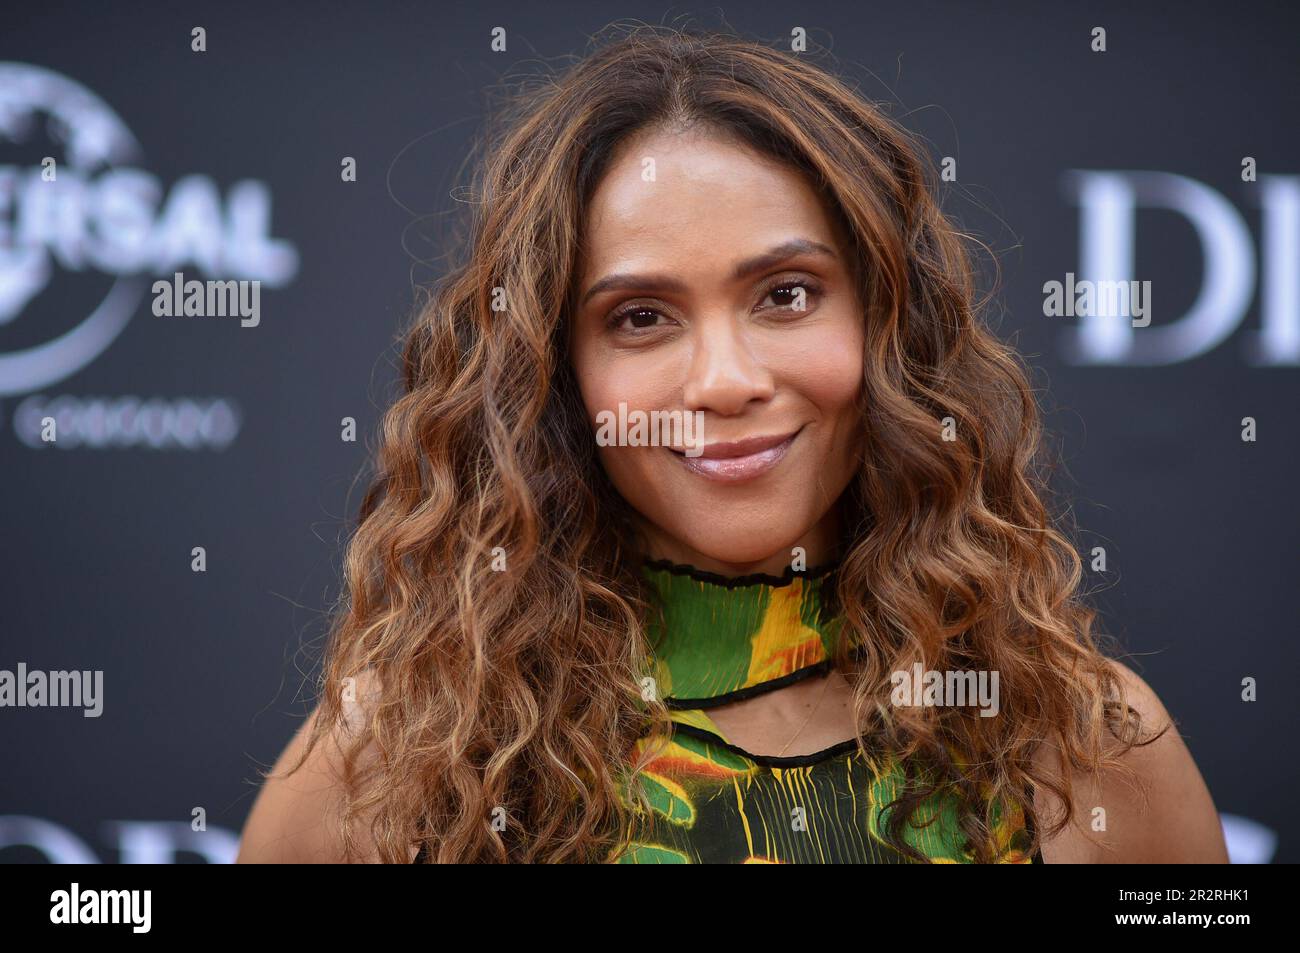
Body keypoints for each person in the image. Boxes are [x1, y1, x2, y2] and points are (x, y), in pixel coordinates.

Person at [237, 25, 1228, 864]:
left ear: (888, 323)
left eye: (785, 294)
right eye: (638, 317)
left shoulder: (1082, 740)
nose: (723, 380)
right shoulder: (396, 759)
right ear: (551, 373)